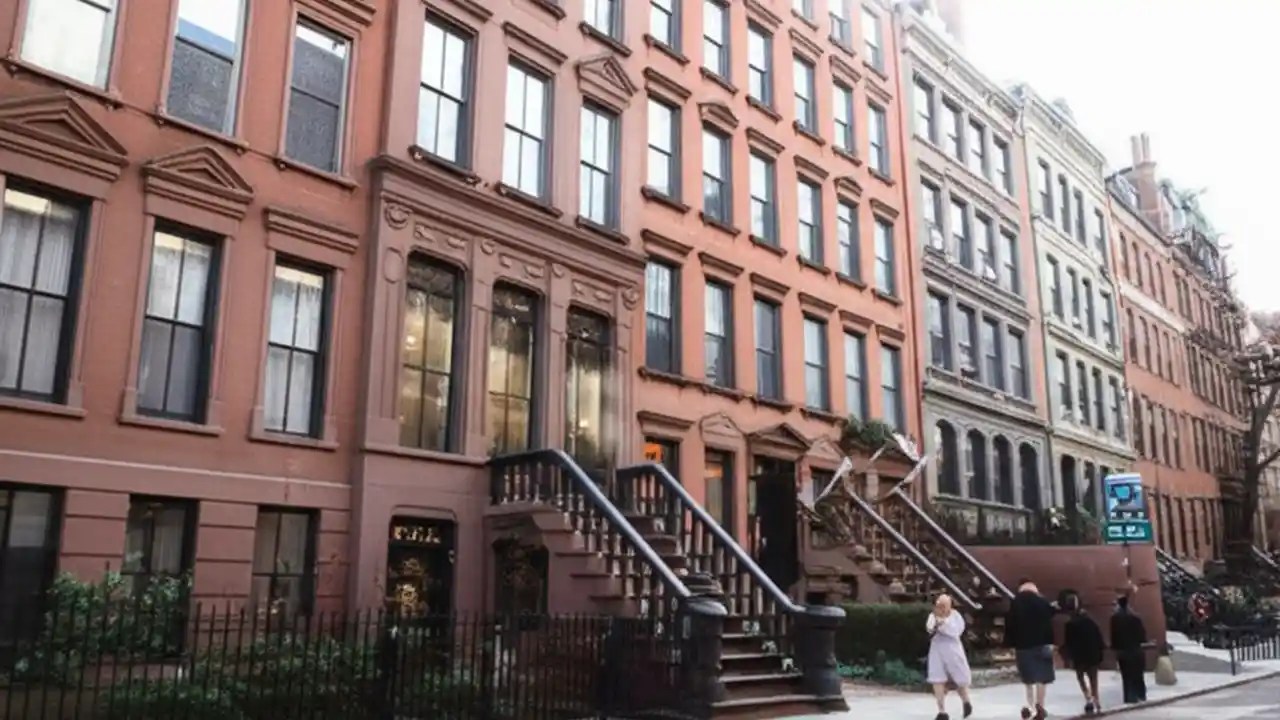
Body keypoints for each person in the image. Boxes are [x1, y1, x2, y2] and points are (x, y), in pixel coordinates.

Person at [1004, 578, 1056, 720]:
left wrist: (1009, 644)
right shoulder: (1042, 602)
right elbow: (1050, 620)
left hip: (1022, 646)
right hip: (1041, 644)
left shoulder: (1015, 603)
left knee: (1028, 680)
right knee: (1042, 678)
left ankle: (1031, 706)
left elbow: (1010, 625)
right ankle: (1041, 705)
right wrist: (1051, 642)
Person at [925, 594, 973, 720]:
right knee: (937, 679)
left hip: (953, 649)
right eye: (939, 605)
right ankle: (942, 711)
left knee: (960, 679)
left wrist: (944, 624)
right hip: (937, 650)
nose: (942, 608)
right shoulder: (932, 616)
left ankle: (966, 701)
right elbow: (929, 629)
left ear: (950, 605)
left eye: (944, 605)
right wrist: (936, 623)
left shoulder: (956, 616)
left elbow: (956, 631)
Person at [1060, 592, 1105, 715]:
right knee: (1093, 679)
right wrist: (1101, 651)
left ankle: (1088, 697)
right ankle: (1096, 700)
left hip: (1079, 656)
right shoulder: (1090, 621)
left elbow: (1068, 643)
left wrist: (1067, 656)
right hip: (1092, 654)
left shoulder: (1070, 625)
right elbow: (1098, 637)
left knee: (1081, 677)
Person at [1111, 593, 1149, 704]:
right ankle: (1141, 694)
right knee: (1138, 674)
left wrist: (1115, 649)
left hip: (1123, 651)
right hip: (1136, 650)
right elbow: (1143, 637)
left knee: (1126, 676)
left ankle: (1129, 697)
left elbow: (1114, 637)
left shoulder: (1114, 619)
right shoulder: (1136, 618)